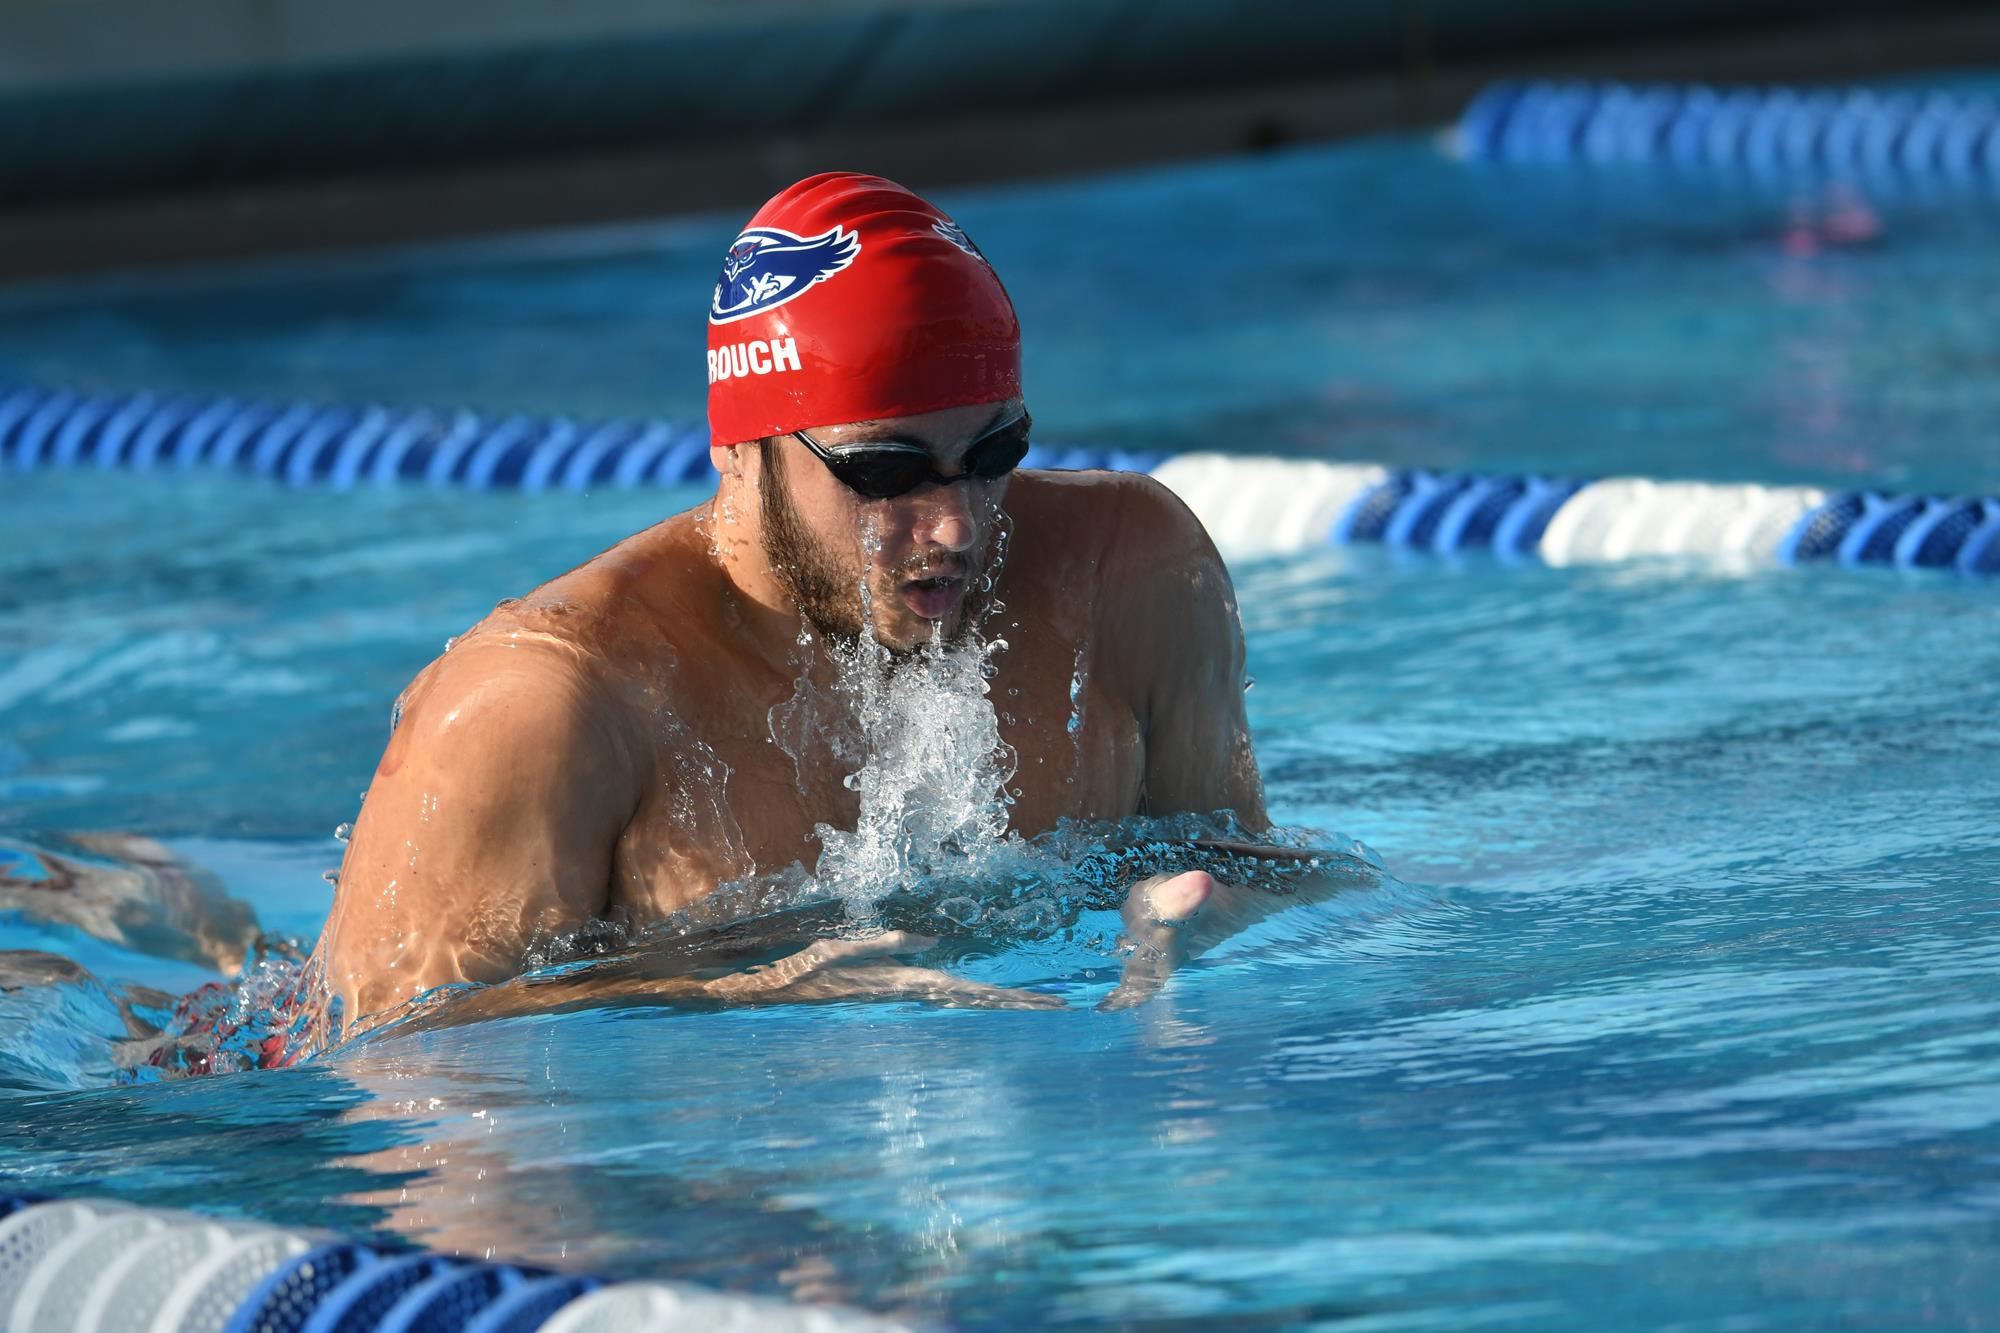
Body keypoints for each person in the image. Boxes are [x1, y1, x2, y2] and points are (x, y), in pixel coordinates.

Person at [309, 172, 1297, 1044]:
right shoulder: (550, 704)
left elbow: (1257, 863)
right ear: (739, 448)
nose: (955, 525)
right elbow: (386, 1051)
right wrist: (729, 991)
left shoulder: (1129, 571)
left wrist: (1206, 913)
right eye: (885, 470)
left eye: (992, 456)